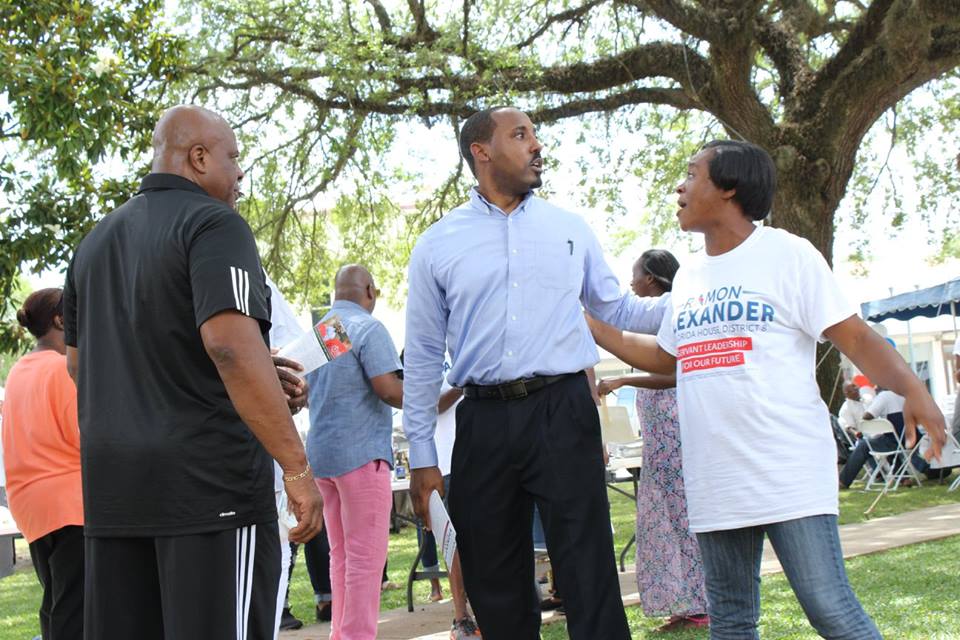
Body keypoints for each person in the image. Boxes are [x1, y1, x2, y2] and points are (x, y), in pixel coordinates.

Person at [587, 139, 947, 639]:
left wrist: (914, 390)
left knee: (830, 609)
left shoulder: (788, 254)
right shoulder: (689, 274)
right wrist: (588, 323)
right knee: (732, 621)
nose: (679, 185)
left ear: (730, 187)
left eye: (692, 174)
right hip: (716, 476)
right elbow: (669, 359)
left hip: (786, 470)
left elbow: (858, 337)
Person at [403, 106, 666, 640]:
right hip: (482, 420)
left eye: (534, 134)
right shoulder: (437, 244)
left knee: (588, 569)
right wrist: (423, 457)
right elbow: (425, 357)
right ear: (482, 151)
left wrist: (700, 304)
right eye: (520, 135)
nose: (536, 145)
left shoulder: (568, 229)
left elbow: (619, 310)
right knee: (494, 578)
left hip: (563, 410)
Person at [62, 105, 324, 640]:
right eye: (234, 158)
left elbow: (78, 364)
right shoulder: (214, 222)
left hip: (115, 494)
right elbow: (228, 344)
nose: (240, 173)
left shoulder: (95, 241)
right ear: (198, 157)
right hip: (209, 492)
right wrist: (296, 470)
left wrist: (236, 375)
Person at [597, 249, 709, 632]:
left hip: (675, 433)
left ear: (654, 279)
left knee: (683, 516)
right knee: (667, 519)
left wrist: (626, 380)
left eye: (635, 275)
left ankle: (700, 601)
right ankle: (683, 601)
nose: (631, 283)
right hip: (659, 440)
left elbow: (676, 372)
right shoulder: (650, 318)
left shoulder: (667, 309)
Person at [305, 264, 403, 640]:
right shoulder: (367, 327)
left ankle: (342, 635)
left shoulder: (324, 331)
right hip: (361, 455)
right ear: (370, 291)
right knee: (366, 558)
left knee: (342, 555)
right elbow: (389, 390)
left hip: (324, 457)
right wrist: (428, 399)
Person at [2, 288, 84, 639]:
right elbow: (85, 436)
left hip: (31, 505)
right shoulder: (62, 368)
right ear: (61, 320)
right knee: (75, 608)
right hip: (71, 504)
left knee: (56, 600)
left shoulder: (19, 372)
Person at [410, 354, 481, 638]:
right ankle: (461, 617)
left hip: (478, 456)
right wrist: (466, 385)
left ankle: (485, 611)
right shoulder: (420, 355)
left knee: (484, 541)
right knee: (454, 547)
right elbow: (430, 405)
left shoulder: (466, 347)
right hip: (443, 465)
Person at [838, 389, 933, 488]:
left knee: (864, 445)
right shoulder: (906, 393)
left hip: (896, 441)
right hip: (914, 439)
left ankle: (843, 481)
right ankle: (904, 478)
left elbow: (867, 416)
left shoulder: (884, 396)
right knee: (884, 442)